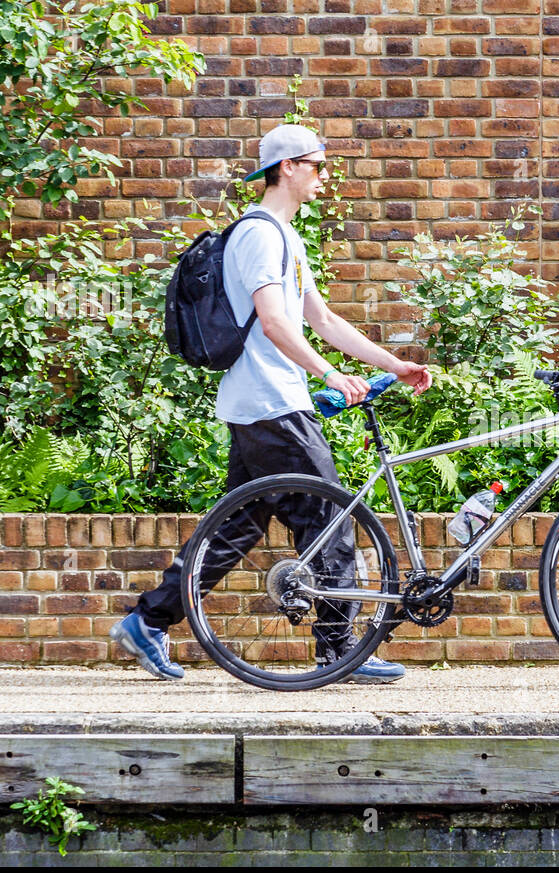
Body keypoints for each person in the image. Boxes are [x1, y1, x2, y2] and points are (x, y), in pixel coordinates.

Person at [111, 124, 432, 683]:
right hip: (271, 402)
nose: (324, 176)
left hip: (258, 403)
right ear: (288, 167)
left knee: (235, 527)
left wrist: (392, 365)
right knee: (331, 518)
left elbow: (323, 320)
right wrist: (331, 375)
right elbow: (274, 320)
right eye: (318, 165)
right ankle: (338, 651)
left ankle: (149, 619)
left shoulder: (288, 237)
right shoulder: (260, 235)